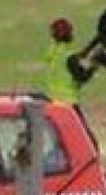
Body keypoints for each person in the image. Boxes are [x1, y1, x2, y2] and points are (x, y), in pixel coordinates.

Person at [42, 18, 98, 146]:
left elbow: (74, 58)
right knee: (87, 140)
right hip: (68, 104)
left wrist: (92, 45)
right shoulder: (69, 57)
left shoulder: (52, 52)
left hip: (51, 102)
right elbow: (82, 77)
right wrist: (93, 66)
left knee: (59, 140)